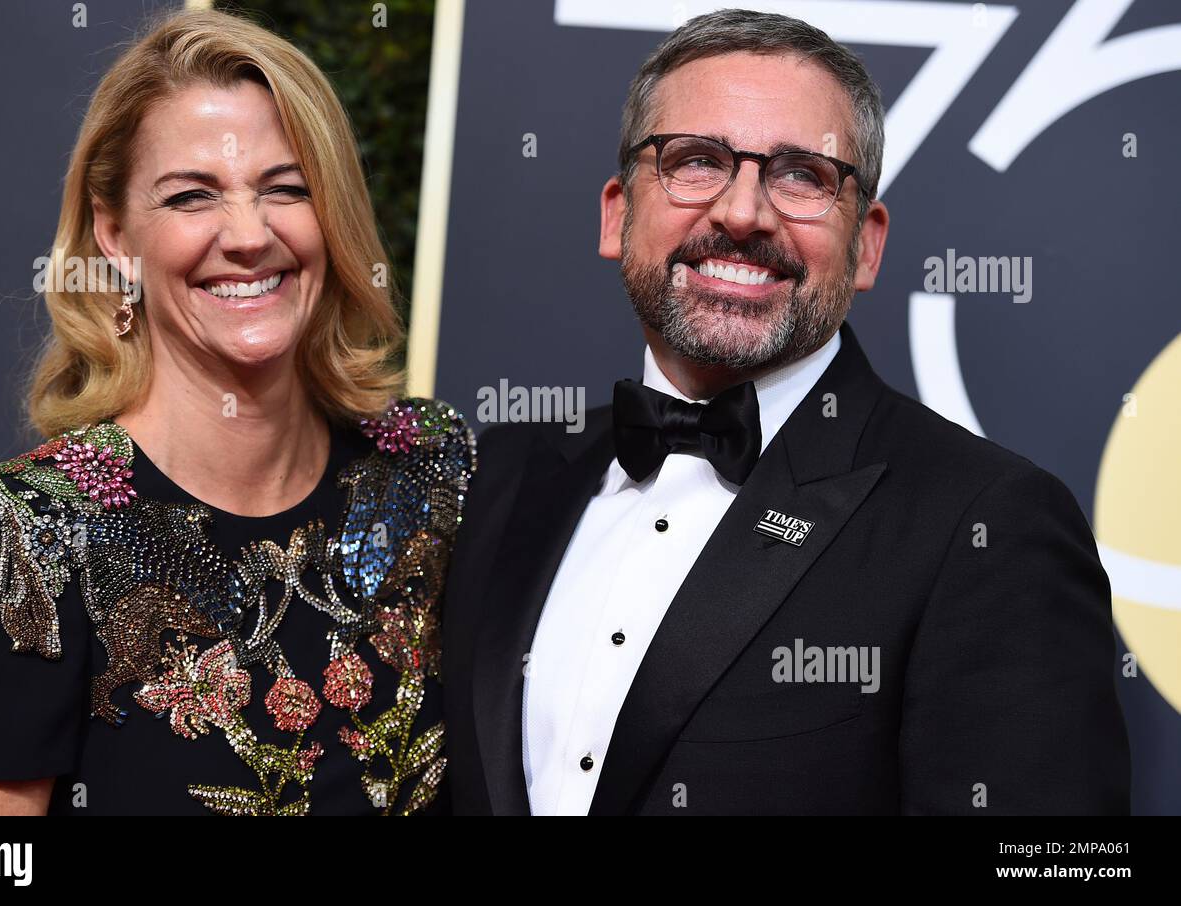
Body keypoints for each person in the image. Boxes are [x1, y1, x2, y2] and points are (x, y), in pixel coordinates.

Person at [442, 8, 1129, 815]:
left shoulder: (987, 524)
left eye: (802, 175)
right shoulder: (504, 473)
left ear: (867, 245)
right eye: (695, 161)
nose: (742, 213)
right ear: (617, 213)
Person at [0, 8, 472, 816]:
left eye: (286, 189)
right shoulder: (22, 534)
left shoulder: (436, 473)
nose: (247, 235)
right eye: (192, 196)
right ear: (114, 234)